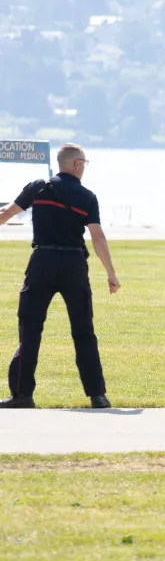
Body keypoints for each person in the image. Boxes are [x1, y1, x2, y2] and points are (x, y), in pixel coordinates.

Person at [0, 144, 120, 409]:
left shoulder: (38, 188)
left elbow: (6, 214)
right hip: (73, 264)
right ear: (77, 164)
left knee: (29, 329)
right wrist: (111, 273)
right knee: (83, 331)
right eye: (85, 163)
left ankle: (22, 395)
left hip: (42, 261)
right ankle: (97, 396)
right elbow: (97, 236)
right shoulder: (87, 196)